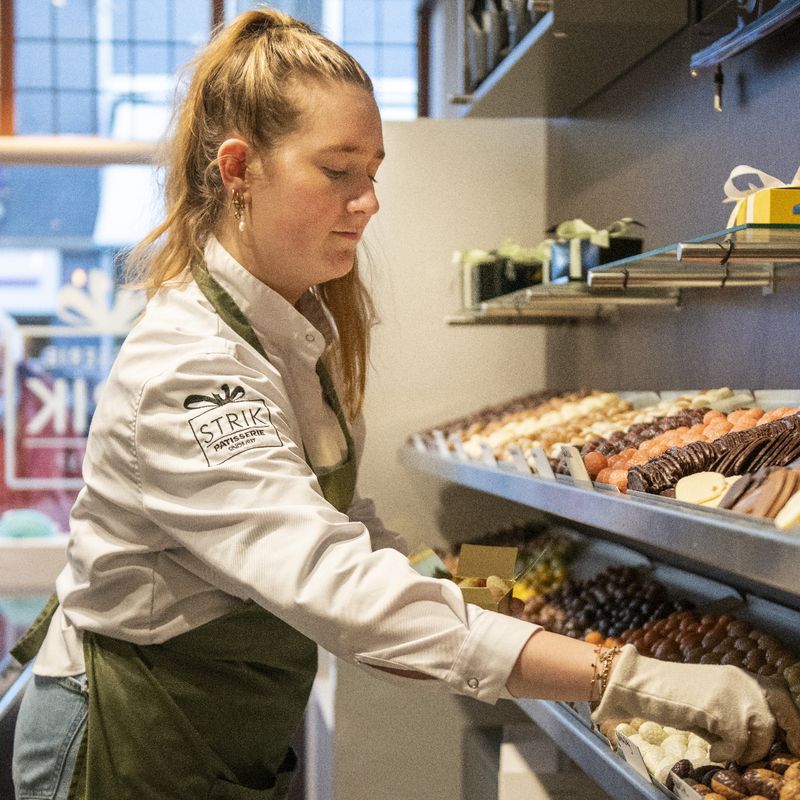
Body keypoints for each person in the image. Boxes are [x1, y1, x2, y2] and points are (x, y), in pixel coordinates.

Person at [10, 8, 800, 799]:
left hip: (220, 731)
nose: (369, 201)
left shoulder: (293, 332)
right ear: (239, 168)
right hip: (125, 737)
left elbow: (347, 529)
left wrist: (493, 583)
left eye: (373, 171)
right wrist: (622, 678)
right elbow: (338, 583)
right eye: (337, 169)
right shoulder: (189, 364)